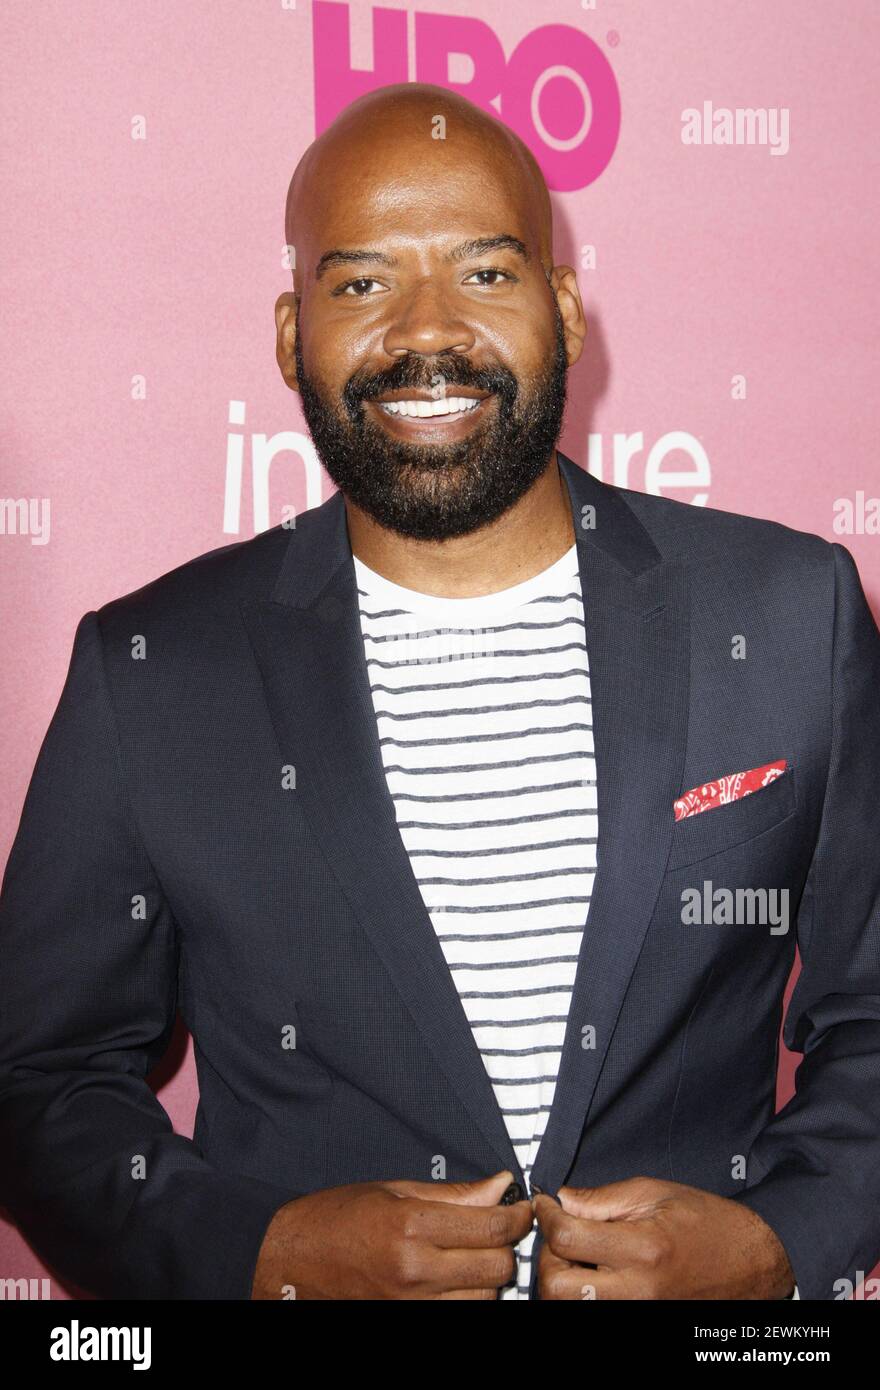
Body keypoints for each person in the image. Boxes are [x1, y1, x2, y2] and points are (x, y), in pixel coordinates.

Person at [1, 83, 879, 1300]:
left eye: (484, 272)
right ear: (286, 327)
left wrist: (778, 1244)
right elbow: (37, 1072)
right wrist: (257, 1256)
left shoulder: (787, 610)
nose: (428, 332)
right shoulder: (152, 666)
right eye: (360, 283)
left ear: (563, 309)